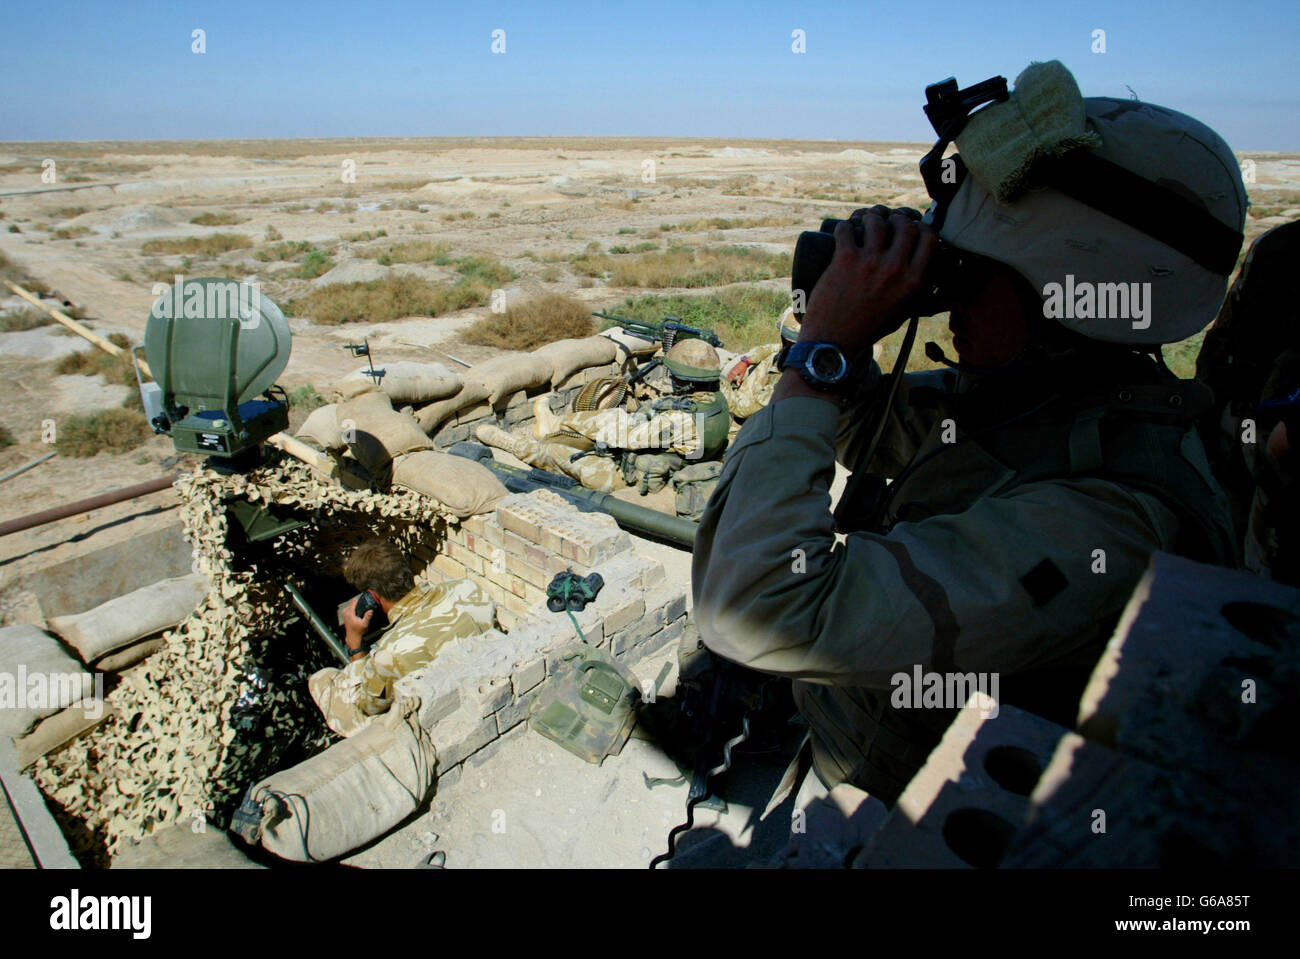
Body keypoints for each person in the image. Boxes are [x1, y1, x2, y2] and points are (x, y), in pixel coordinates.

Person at [692, 60, 1245, 812]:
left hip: (906, 801)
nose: (948, 296)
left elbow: (749, 607)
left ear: (1064, 303)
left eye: (974, 275)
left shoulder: (1112, 518)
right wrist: (835, 337)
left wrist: (820, 357)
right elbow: (867, 430)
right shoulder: (1051, 395)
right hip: (877, 725)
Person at [476, 337, 732, 494]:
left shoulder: (683, 421)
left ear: (685, 381)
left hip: (631, 477)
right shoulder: (719, 399)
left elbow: (624, 436)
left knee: (557, 453)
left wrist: (606, 418)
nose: (671, 381)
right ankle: (553, 425)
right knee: (617, 420)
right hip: (678, 459)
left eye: (675, 377)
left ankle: (510, 442)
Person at [308, 538, 496, 737]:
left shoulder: (389, 654)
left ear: (371, 596)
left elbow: (368, 706)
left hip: (435, 711)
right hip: (473, 678)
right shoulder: (466, 589)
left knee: (322, 679)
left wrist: (354, 644)